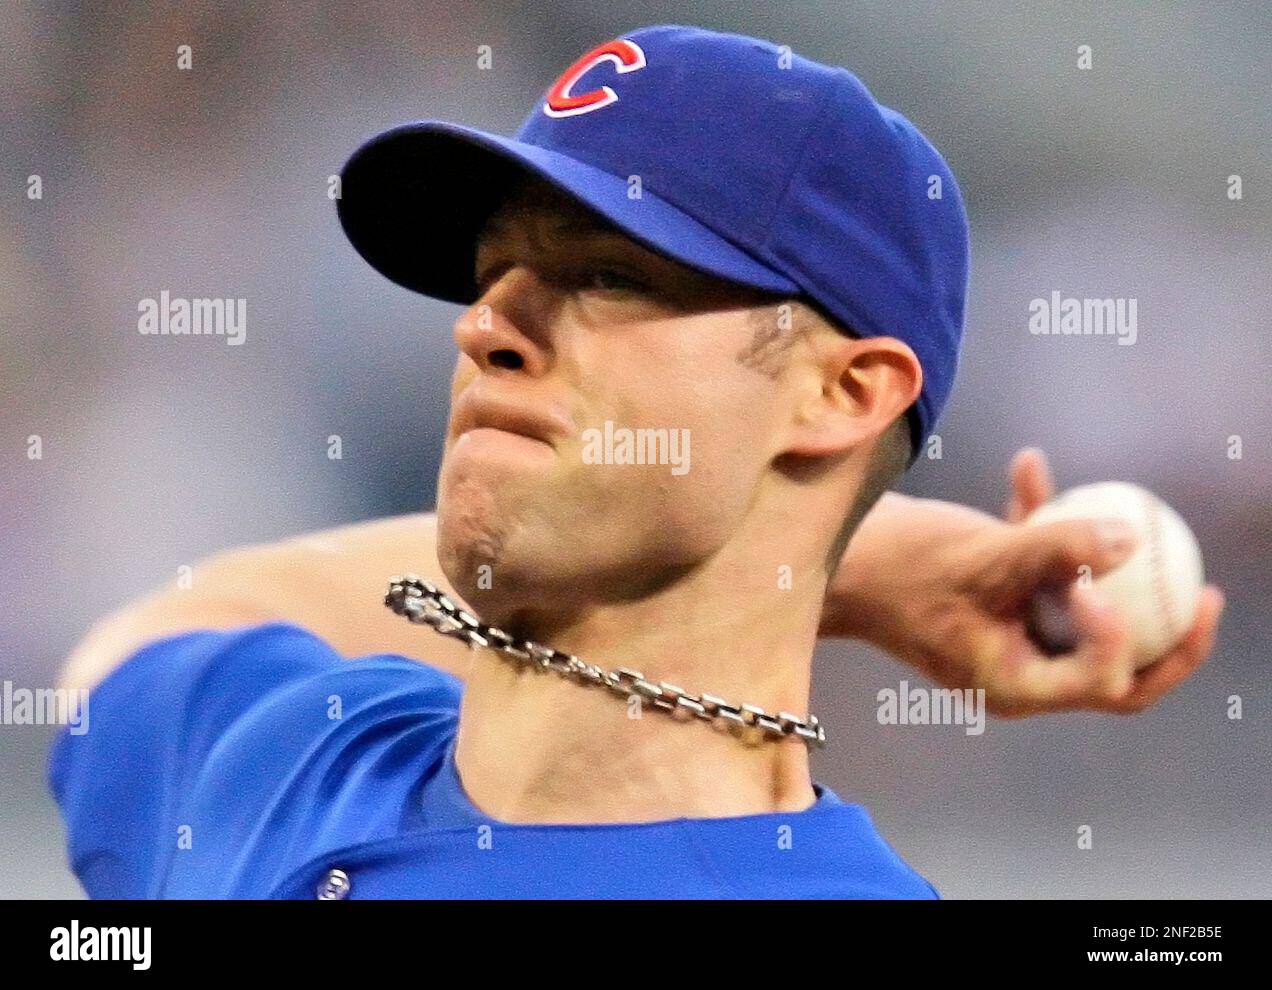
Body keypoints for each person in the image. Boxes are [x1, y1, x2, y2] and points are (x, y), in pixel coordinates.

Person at [51, 25, 1221, 899]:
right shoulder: (307, 754)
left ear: (844, 393)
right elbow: (130, 649)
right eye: (491, 273)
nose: (484, 327)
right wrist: (865, 568)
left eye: (610, 276)